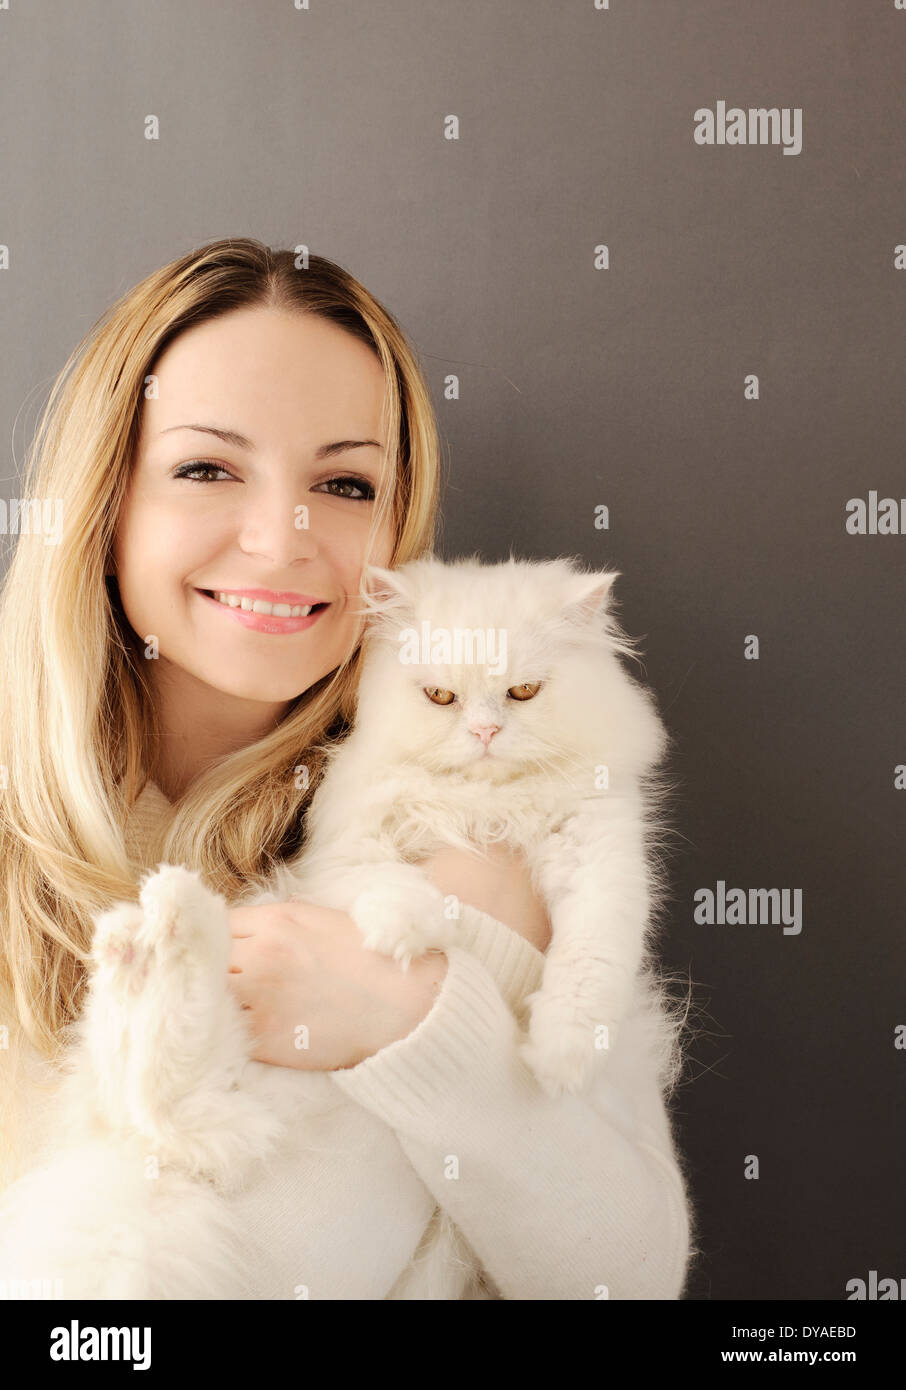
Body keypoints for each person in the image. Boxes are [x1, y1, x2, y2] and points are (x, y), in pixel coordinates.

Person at [0, 237, 696, 1299]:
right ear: (105, 503)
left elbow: (626, 1275)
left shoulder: (475, 818)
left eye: (343, 482)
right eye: (206, 468)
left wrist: (416, 1020)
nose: (282, 540)